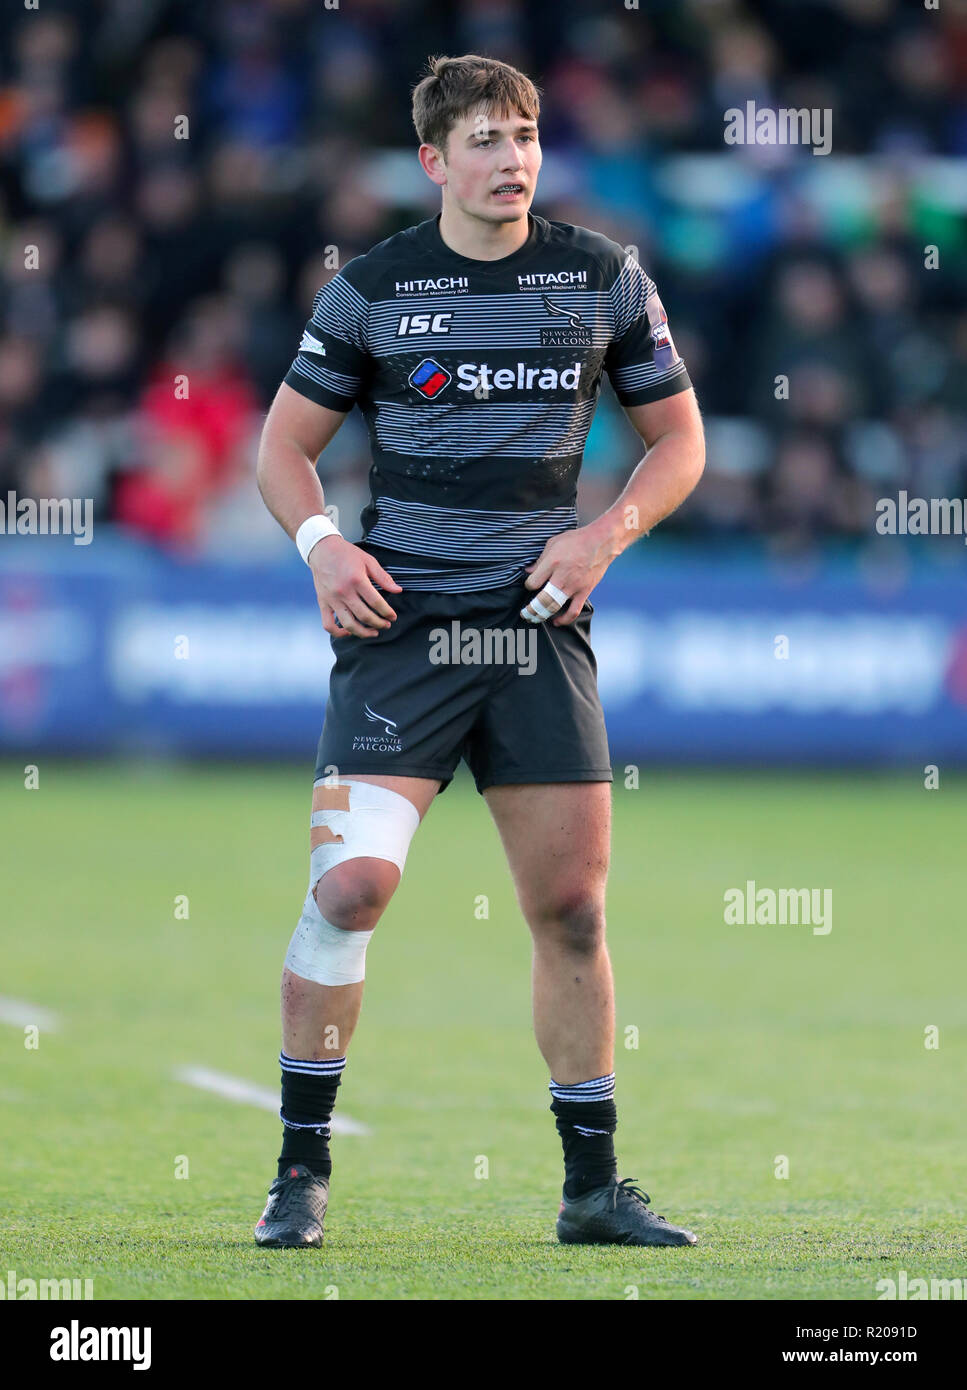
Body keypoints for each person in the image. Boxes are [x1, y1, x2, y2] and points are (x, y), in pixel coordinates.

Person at [253, 53, 705, 1250]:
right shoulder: (375, 290)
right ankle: (300, 1173)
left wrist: (603, 536)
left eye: (524, 137)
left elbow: (678, 444)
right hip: (400, 631)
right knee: (350, 888)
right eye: (486, 141)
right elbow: (281, 450)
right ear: (433, 162)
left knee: (570, 912)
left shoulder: (600, 277)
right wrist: (320, 548)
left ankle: (592, 1189)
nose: (511, 160)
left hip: (538, 635)